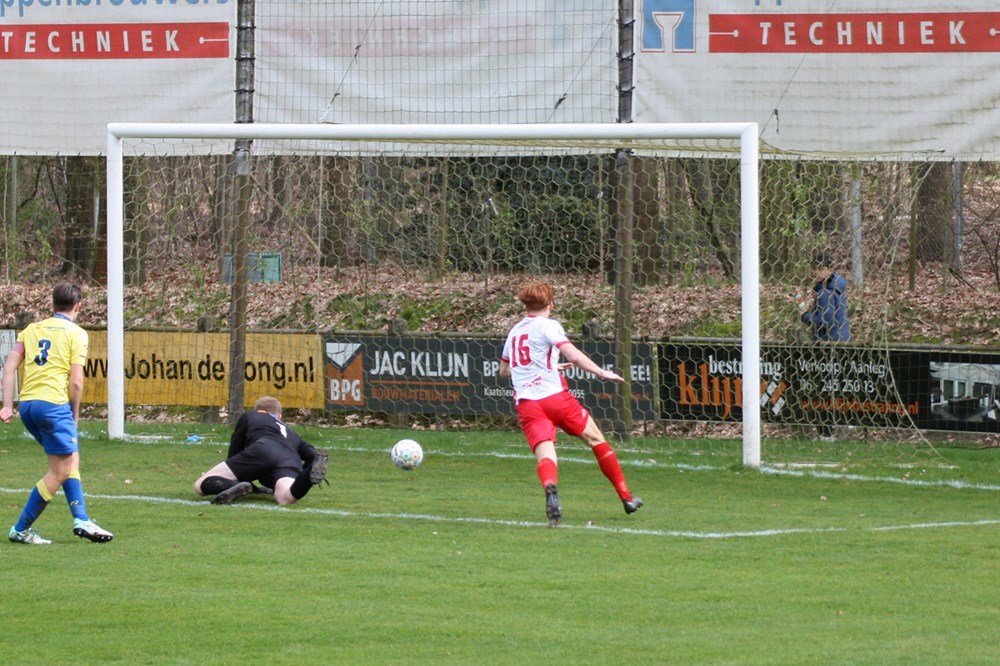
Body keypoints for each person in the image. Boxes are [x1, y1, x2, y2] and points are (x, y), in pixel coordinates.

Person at [499, 282, 643, 526]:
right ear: (550, 304)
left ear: (525, 306)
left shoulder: (514, 332)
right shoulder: (549, 325)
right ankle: (626, 497)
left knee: (546, 454)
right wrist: (601, 372)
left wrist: (548, 366)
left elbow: (504, 371)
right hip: (556, 399)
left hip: (528, 404)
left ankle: (551, 488)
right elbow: (574, 356)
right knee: (597, 440)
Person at [1, 282, 113, 545]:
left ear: (52, 304)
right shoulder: (77, 334)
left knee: (69, 459)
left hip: (29, 406)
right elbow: (77, 382)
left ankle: (82, 519)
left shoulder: (31, 330)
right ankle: (21, 529)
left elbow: (9, 366)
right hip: (53, 406)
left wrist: (7, 405)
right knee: (59, 470)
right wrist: (74, 413)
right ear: (78, 306)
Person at [194, 396, 329, 506]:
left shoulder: (251, 416)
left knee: (200, 485)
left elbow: (236, 446)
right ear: (279, 417)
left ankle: (240, 486)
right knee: (285, 498)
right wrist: (300, 474)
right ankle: (306, 478)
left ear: (258, 410)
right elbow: (312, 455)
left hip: (262, 449)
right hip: (289, 460)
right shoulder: (291, 433)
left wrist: (234, 473)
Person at [797, 252, 851, 440]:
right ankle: (844, 422)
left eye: (821, 268)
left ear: (830, 269)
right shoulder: (836, 286)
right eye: (814, 268)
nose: (816, 272)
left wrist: (805, 316)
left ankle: (826, 433)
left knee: (824, 388)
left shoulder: (826, 292)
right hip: (841, 342)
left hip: (828, 345)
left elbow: (826, 321)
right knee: (836, 385)